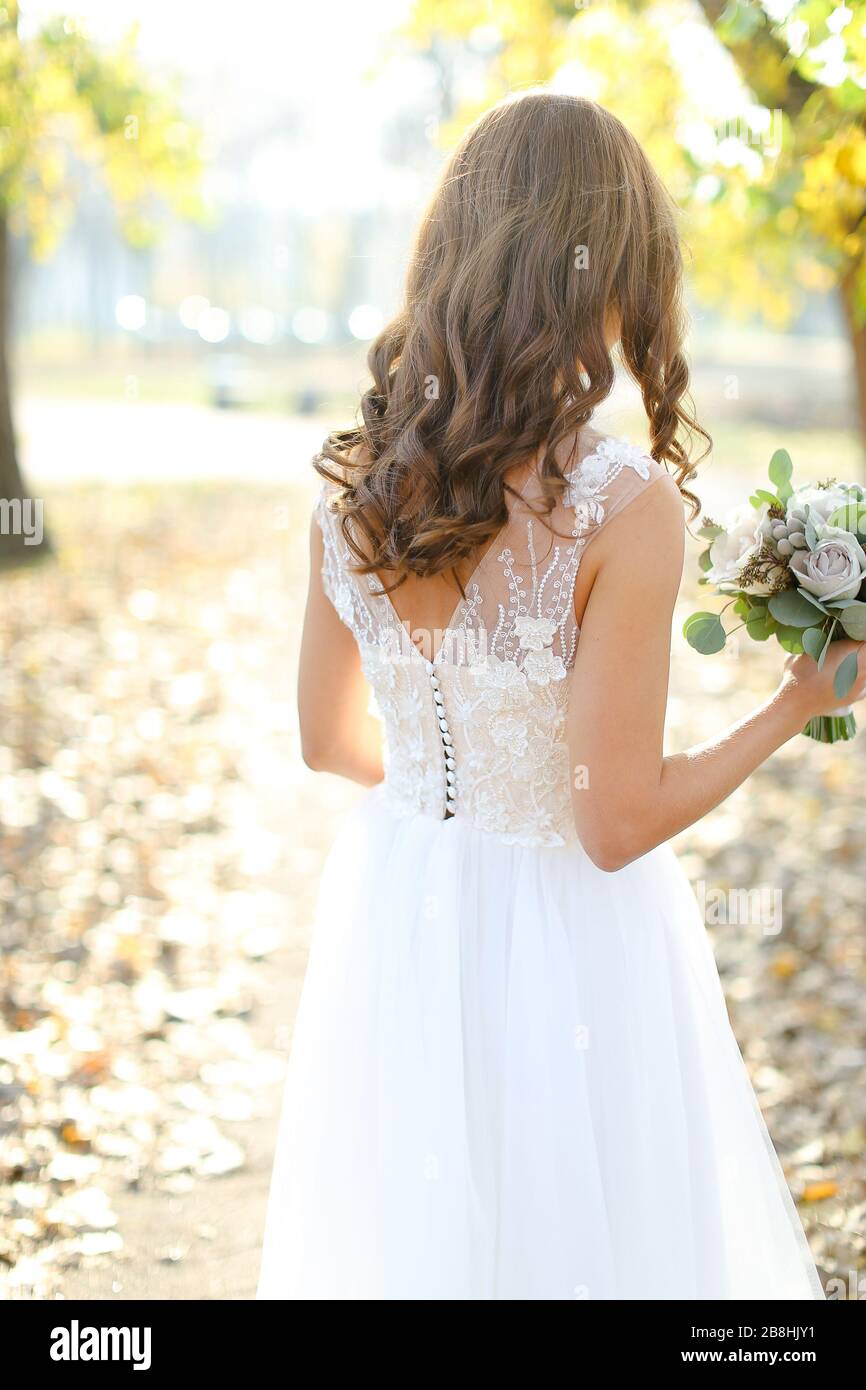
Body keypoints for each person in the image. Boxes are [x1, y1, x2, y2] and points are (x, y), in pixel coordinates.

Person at [257, 91, 864, 1300]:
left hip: (400, 908)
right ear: (610, 270)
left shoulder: (358, 481)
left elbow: (325, 741)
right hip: (567, 944)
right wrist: (791, 707)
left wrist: (456, 796)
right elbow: (611, 822)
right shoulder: (617, 506)